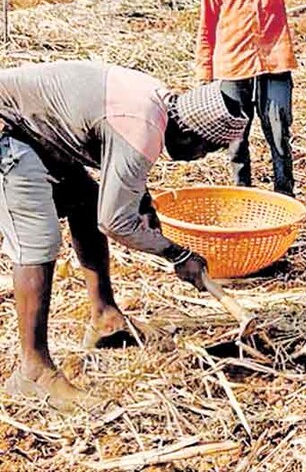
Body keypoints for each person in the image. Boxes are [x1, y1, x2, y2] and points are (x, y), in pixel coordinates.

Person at [0, 61, 249, 411]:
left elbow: (114, 148)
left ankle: (105, 317)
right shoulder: (145, 128)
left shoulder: (158, 103)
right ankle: (33, 371)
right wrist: (178, 255)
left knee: (86, 201)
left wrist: (142, 200)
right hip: (8, 130)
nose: (198, 158)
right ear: (190, 134)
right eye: (204, 150)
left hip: (35, 129)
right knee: (37, 240)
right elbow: (115, 222)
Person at [196, 0, 302, 196]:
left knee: (279, 131)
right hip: (232, 61)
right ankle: (243, 194)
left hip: (275, 60)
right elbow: (207, 22)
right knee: (236, 137)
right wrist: (204, 70)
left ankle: (285, 194)